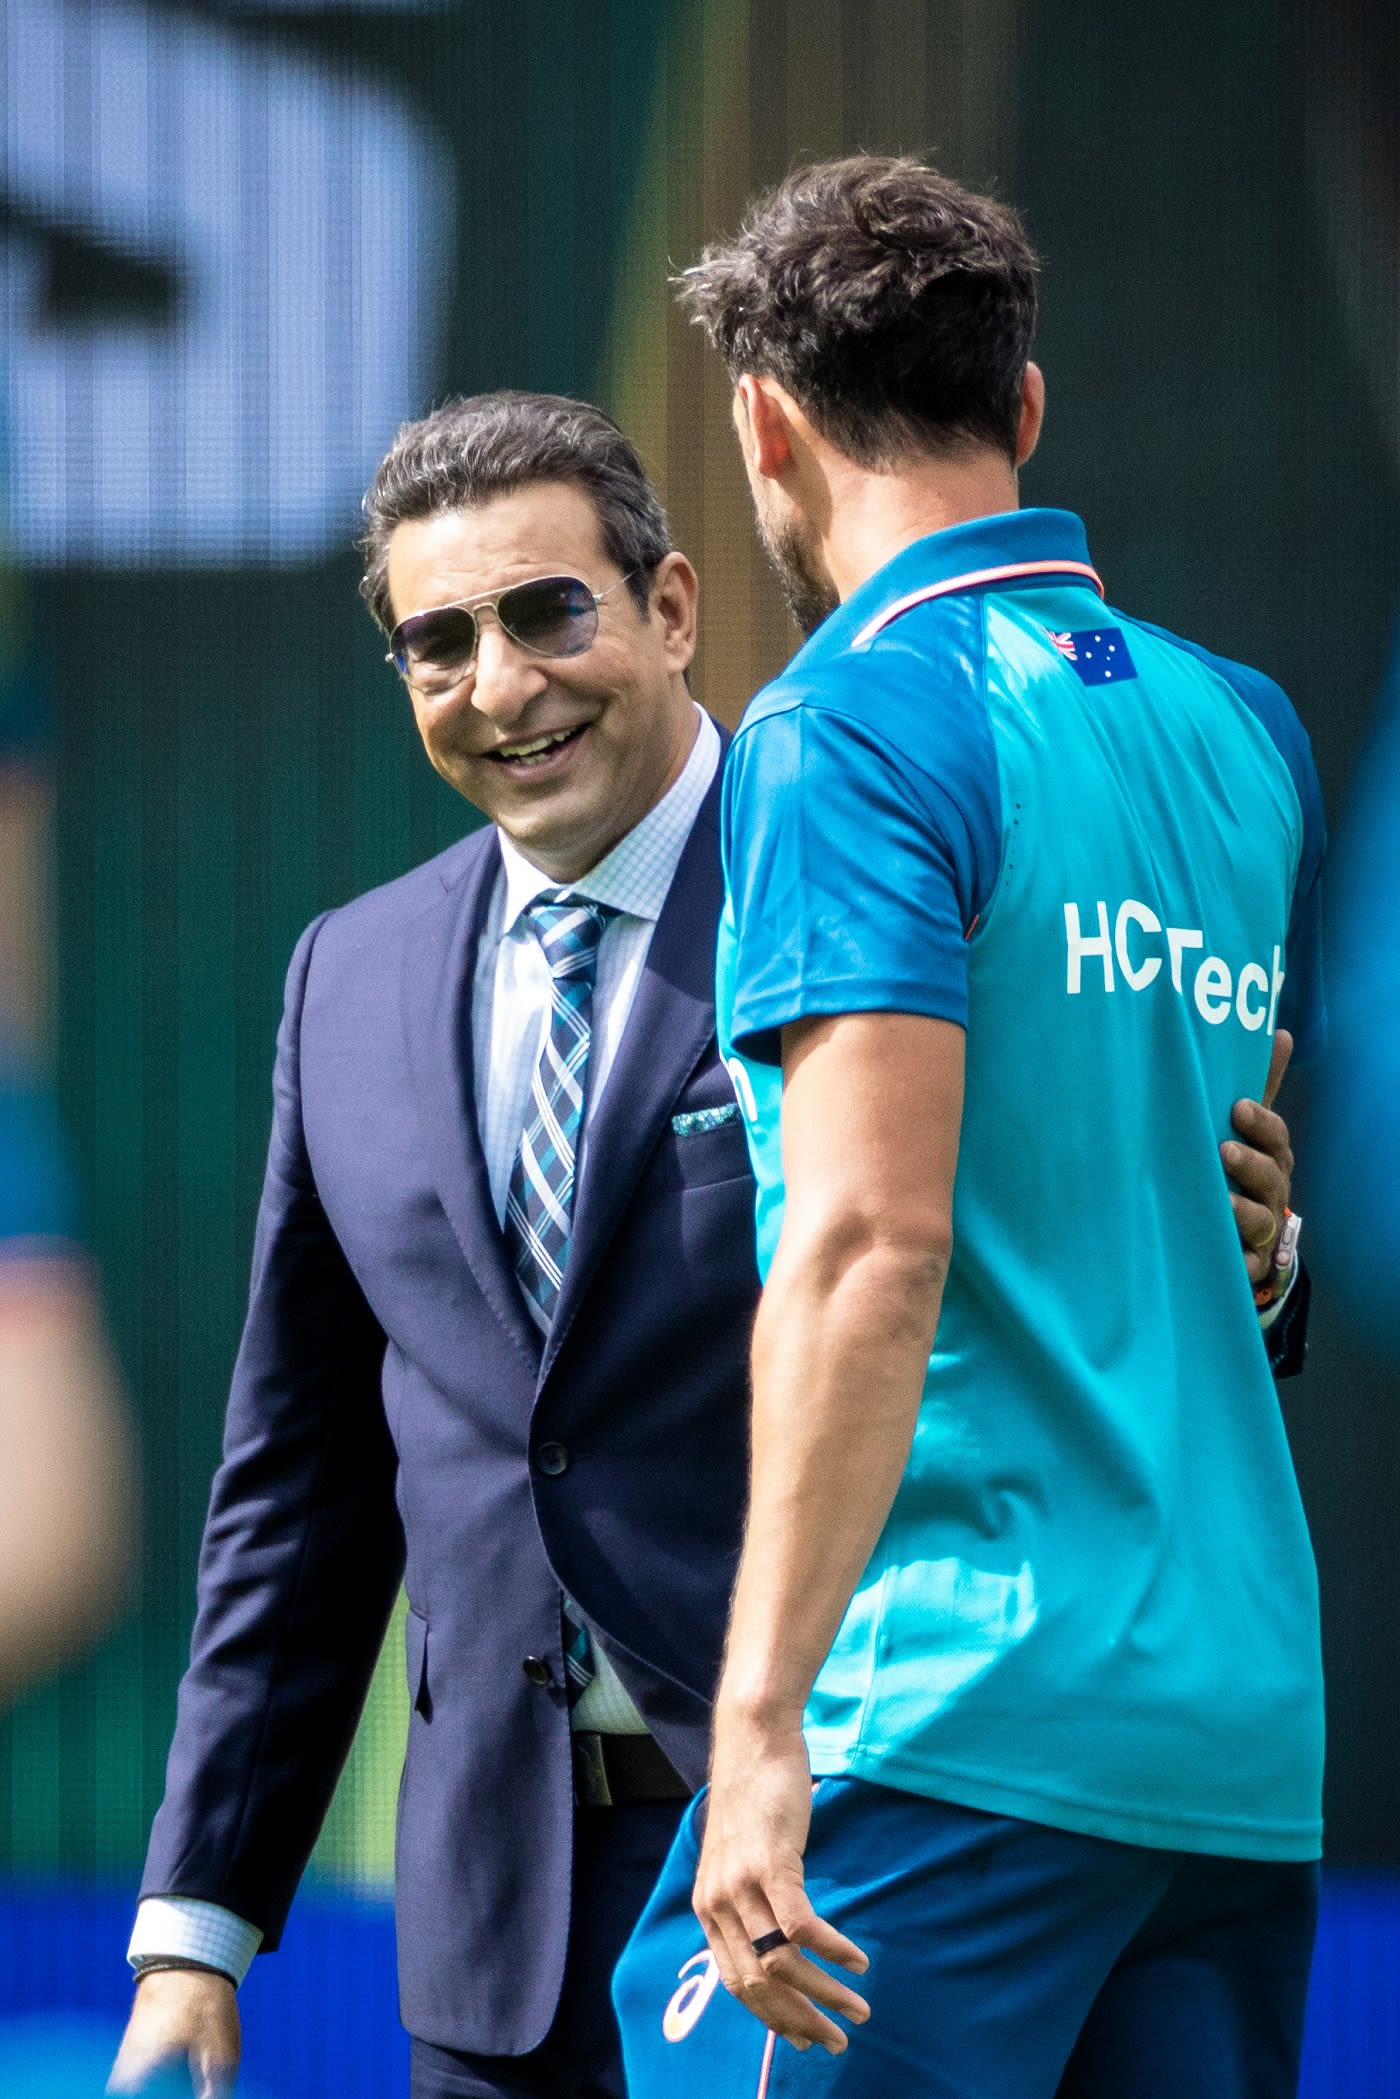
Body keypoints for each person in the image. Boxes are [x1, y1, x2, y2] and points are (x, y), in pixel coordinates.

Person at [108, 392, 1305, 2099]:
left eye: (548, 612)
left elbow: (1072, 1232)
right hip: (495, 1932)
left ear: (672, 608)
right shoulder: (346, 978)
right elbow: (298, 1486)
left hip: (846, 1842)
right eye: (438, 643)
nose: (501, 684)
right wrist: (194, 1930)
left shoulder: (867, 856)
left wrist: (1255, 1254)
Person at [614, 158, 1327, 2099]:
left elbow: (869, 1243)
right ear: (1023, 404)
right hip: (1234, 1748)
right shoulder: (1246, 729)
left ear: (763, 426)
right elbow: (1205, 1196)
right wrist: (1270, 1255)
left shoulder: (843, 725)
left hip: (946, 1722)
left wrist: (758, 1723)